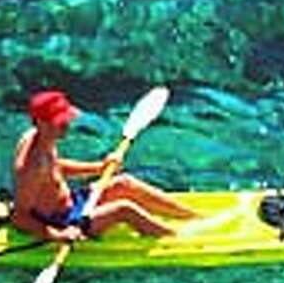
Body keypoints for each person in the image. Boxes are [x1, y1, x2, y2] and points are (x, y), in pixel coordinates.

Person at [12, 89, 196, 241]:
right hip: (62, 221)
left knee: (124, 183)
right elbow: (20, 217)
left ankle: (194, 217)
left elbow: (56, 167)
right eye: (60, 122)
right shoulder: (30, 167)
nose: (67, 124)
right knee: (123, 209)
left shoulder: (40, 138)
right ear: (42, 123)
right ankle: (177, 238)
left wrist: (99, 167)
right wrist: (58, 235)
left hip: (73, 204)